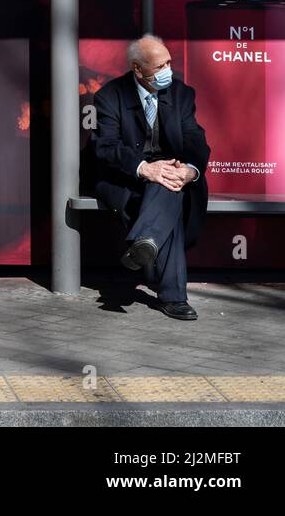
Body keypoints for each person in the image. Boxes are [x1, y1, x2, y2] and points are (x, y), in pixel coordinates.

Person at [90, 34, 210, 321]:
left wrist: (189, 170)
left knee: (170, 186)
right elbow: (105, 147)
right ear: (137, 69)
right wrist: (145, 168)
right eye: (159, 67)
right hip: (127, 177)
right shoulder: (110, 96)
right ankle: (174, 298)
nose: (168, 70)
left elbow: (196, 139)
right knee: (166, 188)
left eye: (169, 62)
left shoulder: (182, 94)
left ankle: (146, 241)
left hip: (172, 174)